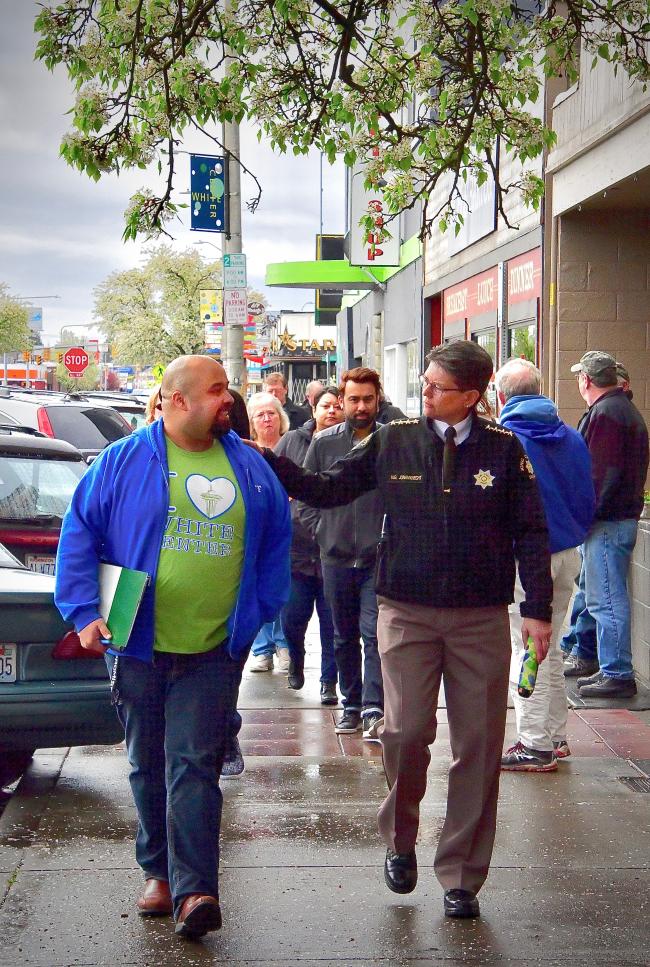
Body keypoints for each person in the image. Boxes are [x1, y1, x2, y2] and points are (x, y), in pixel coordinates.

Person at [263, 341, 553, 918]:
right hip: (406, 612)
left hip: (479, 619)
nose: (425, 393)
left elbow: (531, 532)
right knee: (404, 733)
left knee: (477, 746)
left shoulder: (505, 451)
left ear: (472, 396)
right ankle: (400, 839)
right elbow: (327, 489)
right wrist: (268, 459)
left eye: (438, 387)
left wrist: (537, 611)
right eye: (424, 382)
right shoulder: (393, 440)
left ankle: (462, 875)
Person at [54, 354, 290, 940]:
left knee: (194, 762)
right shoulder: (123, 461)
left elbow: (276, 543)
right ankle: (156, 869)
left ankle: (195, 891)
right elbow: (79, 531)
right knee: (146, 761)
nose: (228, 400)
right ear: (177, 400)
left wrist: (259, 611)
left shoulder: (251, 467)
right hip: (135, 640)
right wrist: (85, 612)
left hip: (214, 648)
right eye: (216, 391)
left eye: (228, 390)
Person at [495, 359, 595, 771]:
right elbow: (586, 496)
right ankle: (555, 736)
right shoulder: (571, 438)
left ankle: (534, 743)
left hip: (525, 557)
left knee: (527, 648)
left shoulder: (506, 440)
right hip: (568, 552)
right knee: (549, 647)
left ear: (500, 396)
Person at [298, 367, 385, 742]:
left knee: (375, 633)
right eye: (354, 399)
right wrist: (323, 531)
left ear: (378, 399)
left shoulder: (391, 442)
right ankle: (350, 703)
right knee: (342, 634)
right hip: (334, 557)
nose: (361, 406)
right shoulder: (324, 443)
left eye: (367, 399)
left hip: (377, 558)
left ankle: (373, 707)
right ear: (343, 400)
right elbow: (305, 497)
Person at [570, 350, 649, 698]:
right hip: (614, 518)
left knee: (605, 599)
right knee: (596, 594)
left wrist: (584, 516)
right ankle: (597, 661)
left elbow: (600, 475)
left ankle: (616, 672)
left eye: (579, 377)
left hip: (607, 521)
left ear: (586, 380)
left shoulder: (608, 413)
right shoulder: (619, 410)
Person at [275, 386, 343, 703]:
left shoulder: (350, 444)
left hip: (334, 552)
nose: (332, 411)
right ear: (313, 409)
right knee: (292, 619)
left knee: (333, 625)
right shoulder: (291, 441)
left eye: (338, 406)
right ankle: (296, 662)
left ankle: (329, 682)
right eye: (326, 406)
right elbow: (276, 479)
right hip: (297, 550)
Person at [247, 392, 291, 673]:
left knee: (280, 586)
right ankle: (262, 649)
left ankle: (284, 644)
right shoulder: (247, 450)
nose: (266, 418)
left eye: (271, 413)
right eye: (260, 414)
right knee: (255, 586)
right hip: (257, 526)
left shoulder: (292, 445)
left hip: (287, 528)